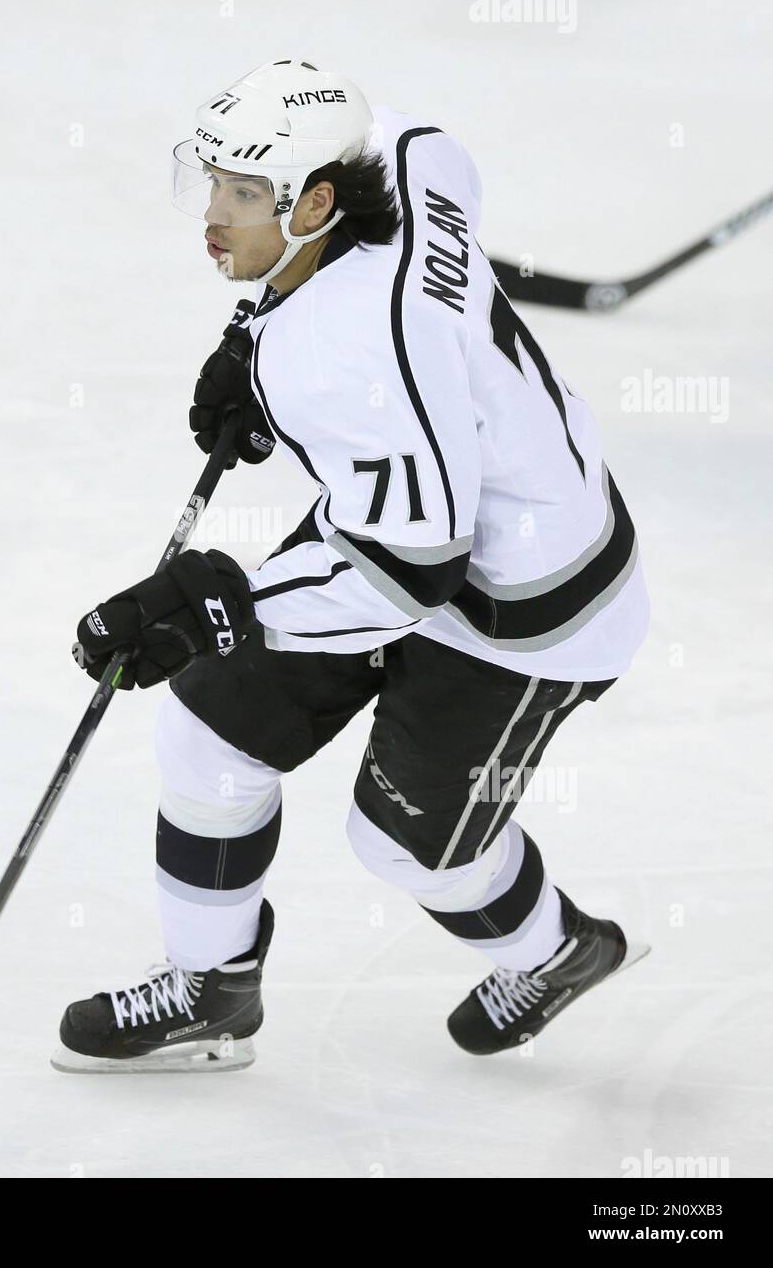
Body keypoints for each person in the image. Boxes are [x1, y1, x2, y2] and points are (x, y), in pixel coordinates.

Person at [51, 59, 650, 1073]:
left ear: (317, 202)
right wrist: (252, 330)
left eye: (244, 196)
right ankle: (211, 987)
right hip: (416, 521)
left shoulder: (344, 355)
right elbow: (422, 144)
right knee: (207, 734)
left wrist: (212, 608)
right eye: (213, 184)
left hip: (523, 606)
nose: (213, 214)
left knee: (407, 844)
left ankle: (553, 950)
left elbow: (409, 578)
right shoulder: (398, 169)